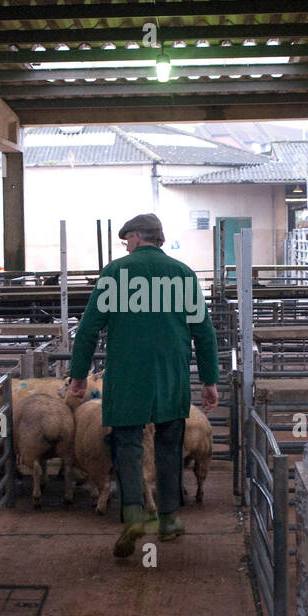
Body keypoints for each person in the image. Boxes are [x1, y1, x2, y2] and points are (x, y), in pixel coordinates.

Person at [68, 212, 219, 557]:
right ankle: (167, 519)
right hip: (172, 376)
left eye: (126, 241)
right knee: (168, 447)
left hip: (126, 377)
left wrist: (79, 375)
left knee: (128, 447)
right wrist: (210, 380)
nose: (126, 246)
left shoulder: (115, 273)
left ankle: (134, 515)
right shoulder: (183, 275)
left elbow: (89, 328)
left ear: (136, 237)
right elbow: (204, 334)